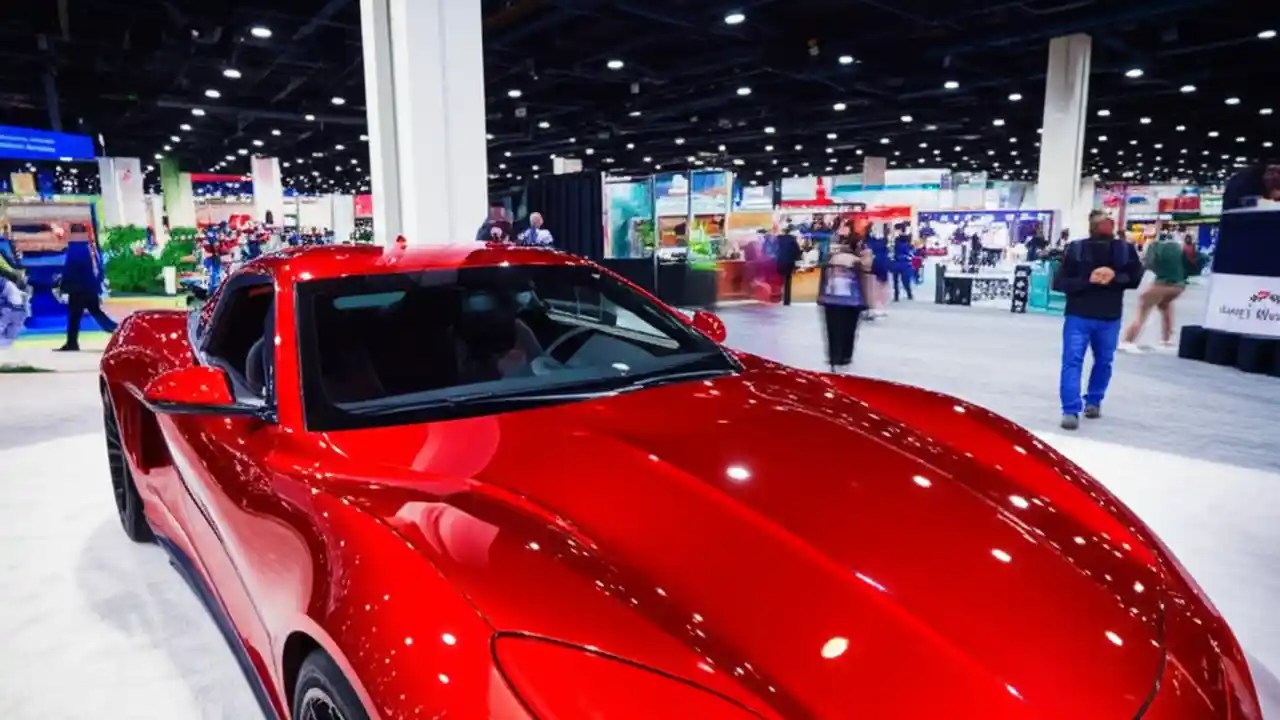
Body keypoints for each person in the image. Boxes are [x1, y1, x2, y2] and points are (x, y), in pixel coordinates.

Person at [1052, 211, 1143, 430]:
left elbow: (1135, 278)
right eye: (1103, 222)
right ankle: (1071, 410)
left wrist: (1115, 278)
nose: (1106, 226)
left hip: (1109, 317)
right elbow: (1059, 283)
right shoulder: (1076, 248)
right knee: (1073, 362)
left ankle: (1093, 400)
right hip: (1079, 316)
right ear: (1093, 225)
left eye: (1109, 222)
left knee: (1103, 361)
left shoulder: (1124, 249)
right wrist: (1088, 280)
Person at [1120, 230, 1200, 351]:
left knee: (1143, 307)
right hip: (1178, 286)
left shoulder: (1155, 246)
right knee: (1165, 306)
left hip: (1162, 283)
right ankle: (1166, 339)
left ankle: (1128, 340)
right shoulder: (1179, 247)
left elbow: (1148, 263)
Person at [818, 218, 871, 372]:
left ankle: (834, 358)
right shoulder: (856, 261)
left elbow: (823, 278)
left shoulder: (830, 259)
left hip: (831, 299)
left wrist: (820, 297)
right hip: (851, 301)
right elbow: (862, 280)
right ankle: (845, 359)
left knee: (832, 329)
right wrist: (865, 302)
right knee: (849, 330)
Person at [56, 231, 118, 352]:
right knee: (97, 315)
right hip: (89, 288)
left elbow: (70, 269)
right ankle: (118, 331)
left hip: (78, 289)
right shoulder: (89, 249)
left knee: (74, 317)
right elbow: (98, 269)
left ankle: (72, 343)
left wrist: (63, 285)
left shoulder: (75, 249)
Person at [774, 225, 801, 306]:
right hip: (789, 263)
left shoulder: (778, 240)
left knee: (778, 280)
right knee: (788, 280)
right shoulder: (793, 240)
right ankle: (787, 300)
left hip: (779, 262)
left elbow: (774, 250)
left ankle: (777, 297)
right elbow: (797, 252)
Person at [890, 226, 914, 301]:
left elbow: (893, 249)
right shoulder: (908, 241)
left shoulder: (896, 240)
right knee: (906, 280)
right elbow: (912, 249)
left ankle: (896, 295)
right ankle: (909, 293)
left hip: (897, 261)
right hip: (905, 263)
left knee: (896, 280)